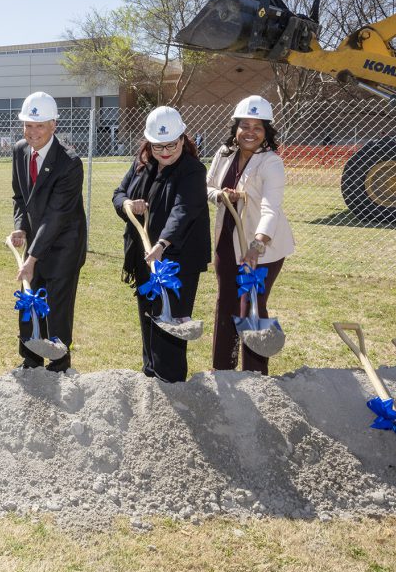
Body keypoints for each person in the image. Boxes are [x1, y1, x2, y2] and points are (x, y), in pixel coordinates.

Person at [112, 106, 210, 383]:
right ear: (148, 143)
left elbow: (183, 211)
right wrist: (128, 204)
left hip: (177, 263)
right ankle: (150, 376)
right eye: (158, 146)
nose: (165, 152)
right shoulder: (142, 164)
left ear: (183, 139)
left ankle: (171, 383)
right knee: (149, 321)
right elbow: (119, 193)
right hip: (144, 257)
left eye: (171, 145)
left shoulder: (192, 170)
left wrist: (162, 244)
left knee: (170, 328)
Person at [206, 95, 295, 374]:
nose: (250, 133)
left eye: (258, 127)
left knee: (251, 305)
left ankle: (255, 375)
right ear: (236, 128)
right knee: (227, 302)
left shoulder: (271, 163)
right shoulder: (224, 154)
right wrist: (220, 195)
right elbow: (206, 186)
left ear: (266, 131)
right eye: (245, 125)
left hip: (262, 247)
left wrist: (257, 246)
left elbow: (271, 209)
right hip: (227, 240)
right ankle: (223, 371)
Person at [9, 92, 87, 372]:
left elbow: (56, 216)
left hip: (63, 247)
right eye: (28, 125)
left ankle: (58, 363)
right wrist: (20, 227)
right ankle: (31, 361)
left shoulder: (69, 163)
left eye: (40, 125)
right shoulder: (20, 151)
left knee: (56, 309)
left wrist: (31, 259)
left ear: (54, 125)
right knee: (29, 302)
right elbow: (20, 197)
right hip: (35, 243)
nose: (33, 132)